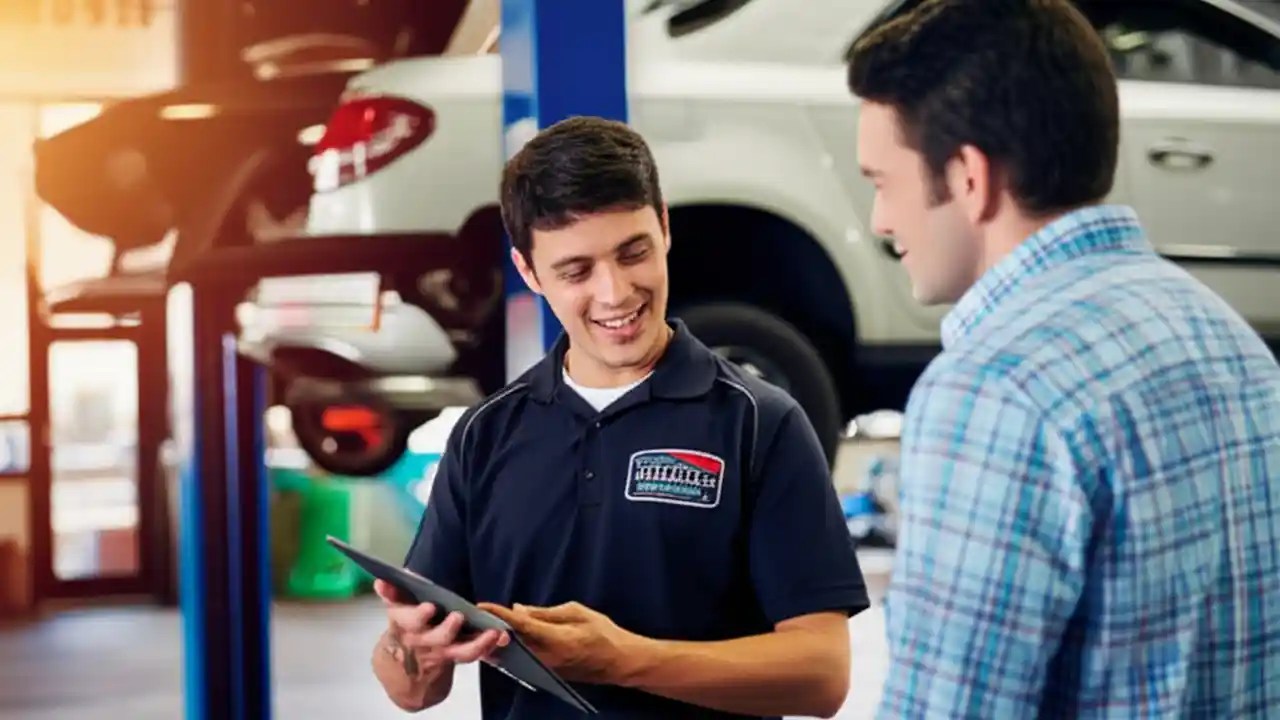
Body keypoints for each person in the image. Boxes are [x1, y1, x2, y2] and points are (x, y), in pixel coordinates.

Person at [846, 0, 1280, 717]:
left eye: (881, 181)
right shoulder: (1230, 342)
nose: (880, 220)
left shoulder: (992, 393)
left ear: (967, 178)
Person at [370, 115, 870, 719]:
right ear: (528, 272)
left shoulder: (759, 423)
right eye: (576, 271)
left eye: (633, 253)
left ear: (663, 226)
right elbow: (413, 691)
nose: (614, 294)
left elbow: (822, 675)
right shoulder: (486, 435)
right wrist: (410, 644)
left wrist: (622, 659)